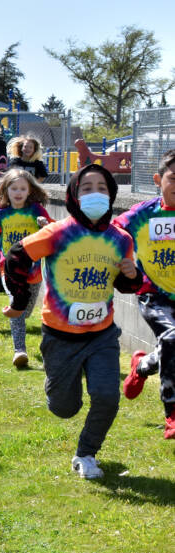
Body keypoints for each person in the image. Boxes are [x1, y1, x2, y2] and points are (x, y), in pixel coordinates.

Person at [4, 164, 142, 479]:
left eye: (102, 188)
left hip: (102, 336)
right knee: (64, 408)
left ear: (112, 195)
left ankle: (86, 454)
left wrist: (133, 276)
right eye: (87, 188)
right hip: (60, 337)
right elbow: (16, 258)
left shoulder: (120, 238)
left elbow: (125, 283)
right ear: (74, 195)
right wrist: (21, 300)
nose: (95, 194)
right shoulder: (59, 232)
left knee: (107, 396)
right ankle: (59, 385)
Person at [116, 150, 175, 439]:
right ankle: (173, 414)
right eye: (174, 178)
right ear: (158, 180)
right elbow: (113, 232)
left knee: (172, 345)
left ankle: (141, 365)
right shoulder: (142, 214)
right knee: (174, 339)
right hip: (153, 294)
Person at [0, 169, 52, 367]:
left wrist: (44, 224)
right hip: (10, 268)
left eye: (23, 188)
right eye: (14, 188)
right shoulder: (1, 212)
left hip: (34, 269)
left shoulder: (36, 210)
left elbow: (51, 229)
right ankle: (19, 350)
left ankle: (20, 316)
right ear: (6, 190)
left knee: (25, 310)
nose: (18, 192)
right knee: (16, 305)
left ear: (30, 190)